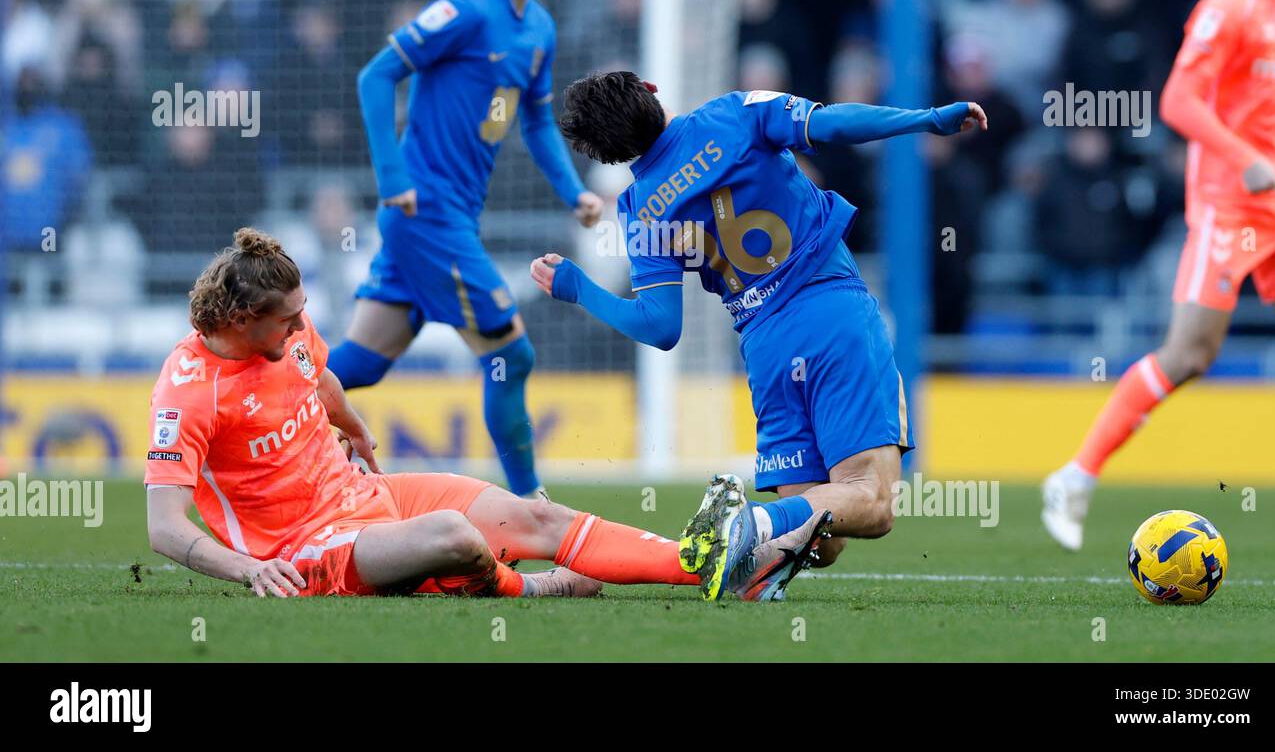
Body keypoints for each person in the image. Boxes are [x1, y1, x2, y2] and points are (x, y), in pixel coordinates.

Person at [145, 229, 826, 601]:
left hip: (365, 496)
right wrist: (248, 571)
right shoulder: (188, 390)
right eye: (288, 318)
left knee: (536, 512)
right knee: (451, 534)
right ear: (241, 319)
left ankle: (722, 565)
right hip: (304, 551)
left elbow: (317, 377)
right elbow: (164, 528)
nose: (303, 326)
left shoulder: (289, 334)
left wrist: (354, 429)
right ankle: (534, 592)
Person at [529, 73, 984, 600]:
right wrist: (926, 119)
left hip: (766, 347)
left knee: (822, 537)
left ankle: (734, 566)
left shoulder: (641, 208)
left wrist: (578, 288)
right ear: (652, 90)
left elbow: (660, 327)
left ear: (606, 155)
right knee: (872, 502)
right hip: (829, 311)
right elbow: (830, 121)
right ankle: (749, 523)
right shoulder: (734, 114)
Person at [1042, 0, 1275, 550]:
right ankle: (1075, 475)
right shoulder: (1230, 6)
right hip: (1231, 200)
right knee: (1191, 353)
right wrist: (1244, 157)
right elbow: (1179, 104)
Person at [330, 0, 603, 498]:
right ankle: (531, 504)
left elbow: (533, 121)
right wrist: (392, 179)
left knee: (363, 363)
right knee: (514, 354)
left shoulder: (538, 27)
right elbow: (376, 75)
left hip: (448, 217)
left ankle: (249, 420)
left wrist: (573, 192)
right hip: (424, 211)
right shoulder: (467, 11)